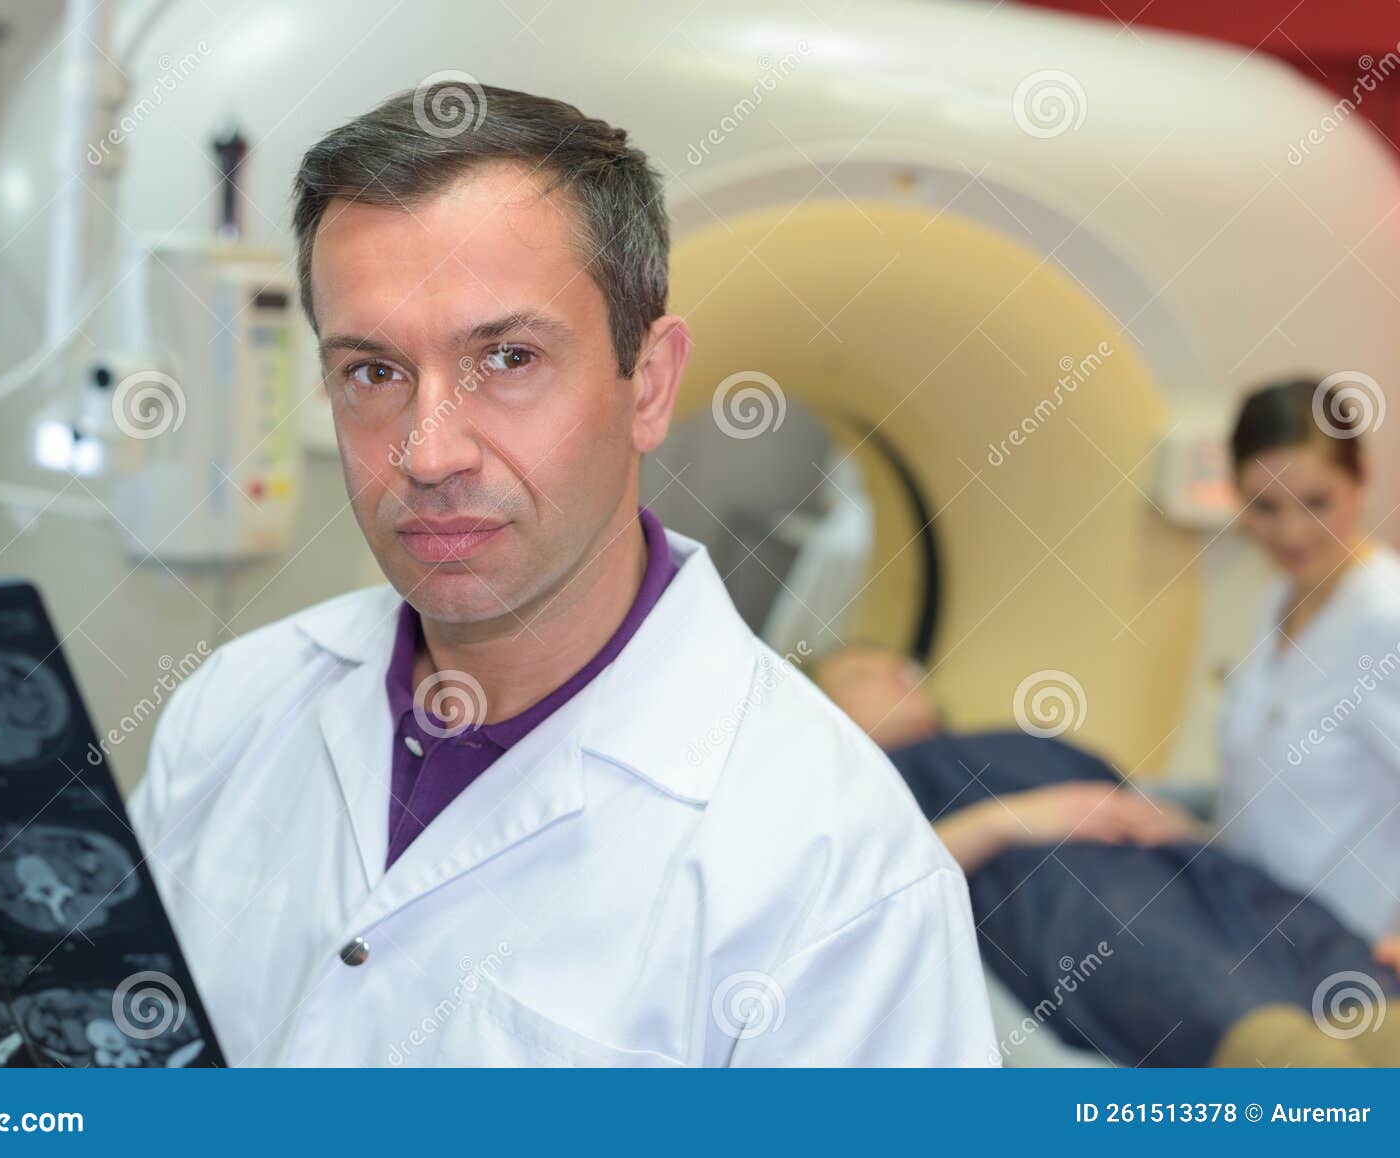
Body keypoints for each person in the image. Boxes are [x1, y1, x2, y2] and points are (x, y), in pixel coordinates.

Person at [128, 84, 995, 1067]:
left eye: (506, 357)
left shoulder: (837, 873)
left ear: (651, 384)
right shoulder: (228, 711)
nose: (428, 453)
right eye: (374, 373)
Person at [809, 643, 1400, 1066]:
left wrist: (1174, 824)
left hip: (1189, 867)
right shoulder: (869, 789)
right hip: (1080, 899)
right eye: (864, 671)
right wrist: (1013, 821)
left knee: (1347, 976)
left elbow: (1131, 798)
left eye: (897, 663)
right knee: (1252, 1018)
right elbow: (873, 893)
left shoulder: (1016, 737)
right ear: (819, 713)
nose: (895, 670)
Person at [1219, 377, 1400, 961]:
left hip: (1341, 957)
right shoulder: (1276, 600)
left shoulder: (1386, 618)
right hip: (1250, 920)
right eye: (1264, 508)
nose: (1291, 533)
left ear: (1362, 478)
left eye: (1315, 503)